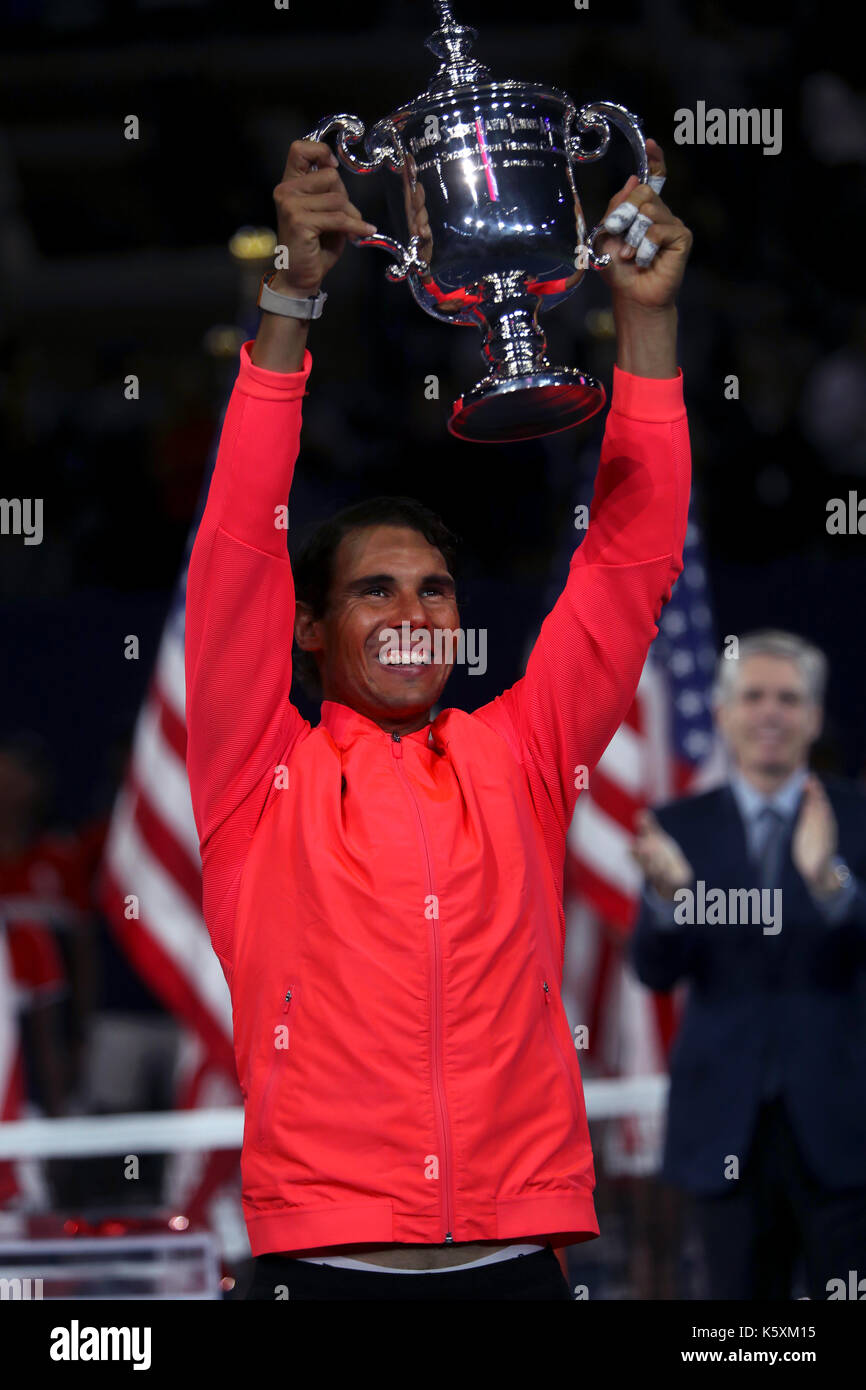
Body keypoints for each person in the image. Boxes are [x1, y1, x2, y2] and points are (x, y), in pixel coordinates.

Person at [184, 135, 693, 1300]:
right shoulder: (256, 781)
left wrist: (645, 328)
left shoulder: (517, 752)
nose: (412, 610)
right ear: (310, 628)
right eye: (373, 588)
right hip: (325, 1266)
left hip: (521, 1261)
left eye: (433, 587)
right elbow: (234, 546)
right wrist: (290, 302)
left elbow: (627, 565)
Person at [630, 631, 866, 1300]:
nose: (771, 713)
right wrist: (672, 900)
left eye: (789, 699)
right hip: (723, 1134)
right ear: (725, 712)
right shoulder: (679, 827)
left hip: (844, 1133)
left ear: (814, 716)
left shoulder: (857, 819)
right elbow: (652, 971)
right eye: (754, 696)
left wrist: (831, 883)